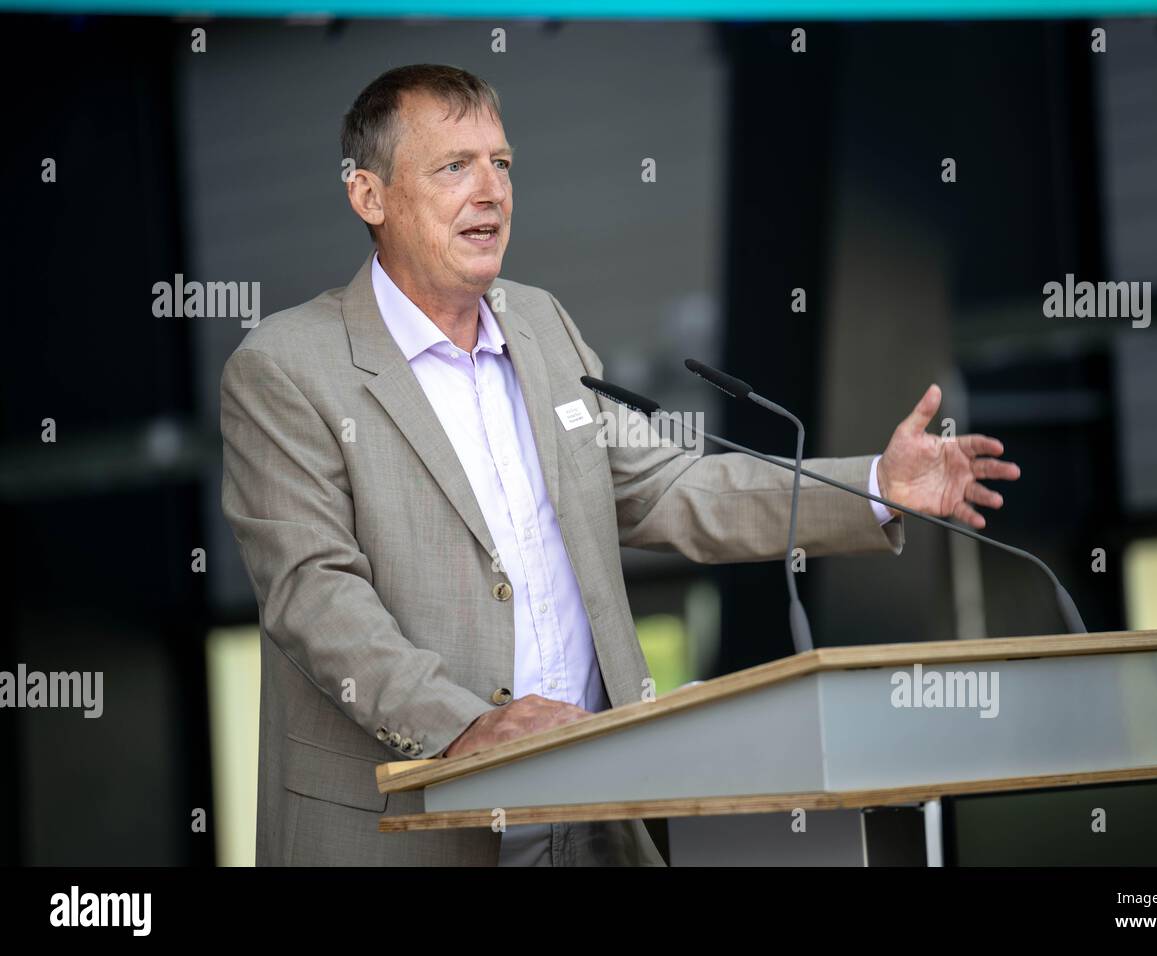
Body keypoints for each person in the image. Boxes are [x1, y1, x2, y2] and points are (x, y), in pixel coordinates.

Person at [219, 64, 1020, 866]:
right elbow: (315, 596)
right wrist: (465, 727)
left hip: (593, 810)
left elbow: (669, 487)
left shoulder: (540, 323)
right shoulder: (287, 367)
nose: (491, 191)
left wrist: (877, 486)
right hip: (413, 822)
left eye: (502, 163)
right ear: (369, 196)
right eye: (454, 166)